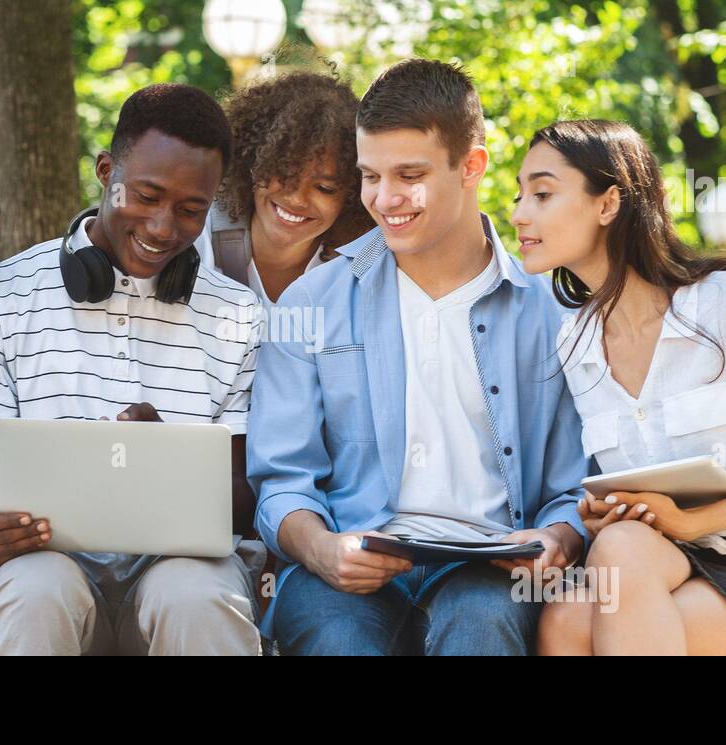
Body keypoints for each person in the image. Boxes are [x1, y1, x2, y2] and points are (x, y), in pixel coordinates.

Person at [247, 59, 589, 656]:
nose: (384, 199)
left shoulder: (552, 313)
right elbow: (282, 480)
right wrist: (322, 550)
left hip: (490, 567)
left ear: (472, 166)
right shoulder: (310, 303)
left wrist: (558, 538)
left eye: (409, 175)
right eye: (369, 176)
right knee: (339, 640)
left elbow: (576, 485)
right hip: (344, 562)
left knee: (481, 628)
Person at [0, 83, 265, 656]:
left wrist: (169, 466)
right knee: (33, 592)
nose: (163, 226)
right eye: (146, 196)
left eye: (191, 210)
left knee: (196, 596)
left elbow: (247, 495)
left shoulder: (238, 314)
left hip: (181, 570)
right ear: (106, 171)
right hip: (44, 565)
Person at [512, 119, 726, 655]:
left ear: (608, 203)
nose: (519, 214)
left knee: (615, 585)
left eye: (541, 194)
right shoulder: (574, 342)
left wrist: (692, 521)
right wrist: (611, 512)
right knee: (567, 615)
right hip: (666, 561)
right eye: (519, 196)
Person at [195, 68, 372, 304]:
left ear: (352, 196)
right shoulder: (196, 235)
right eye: (285, 173)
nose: (297, 198)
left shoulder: (361, 272)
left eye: (324, 188)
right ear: (252, 162)